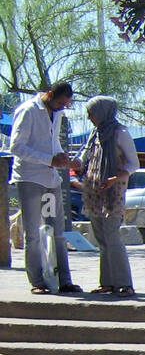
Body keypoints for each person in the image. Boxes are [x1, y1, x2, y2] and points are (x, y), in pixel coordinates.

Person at [8, 81, 82, 295]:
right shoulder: (28, 111)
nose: (61, 107)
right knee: (33, 233)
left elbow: (53, 144)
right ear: (49, 95)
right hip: (30, 177)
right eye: (59, 102)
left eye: (65, 105)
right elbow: (16, 146)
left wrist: (64, 161)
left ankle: (64, 280)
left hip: (51, 180)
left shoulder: (57, 113)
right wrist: (49, 159)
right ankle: (37, 281)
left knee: (58, 231)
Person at [71, 96, 139, 297]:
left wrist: (115, 178)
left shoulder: (121, 133)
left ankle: (124, 283)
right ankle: (107, 282)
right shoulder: (95, 135)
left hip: (113, 193)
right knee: (101, 238)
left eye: (92, 112)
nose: (89, 117)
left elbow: (133, 164)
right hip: (94, 193)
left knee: (112, 236)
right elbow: (82, 159)